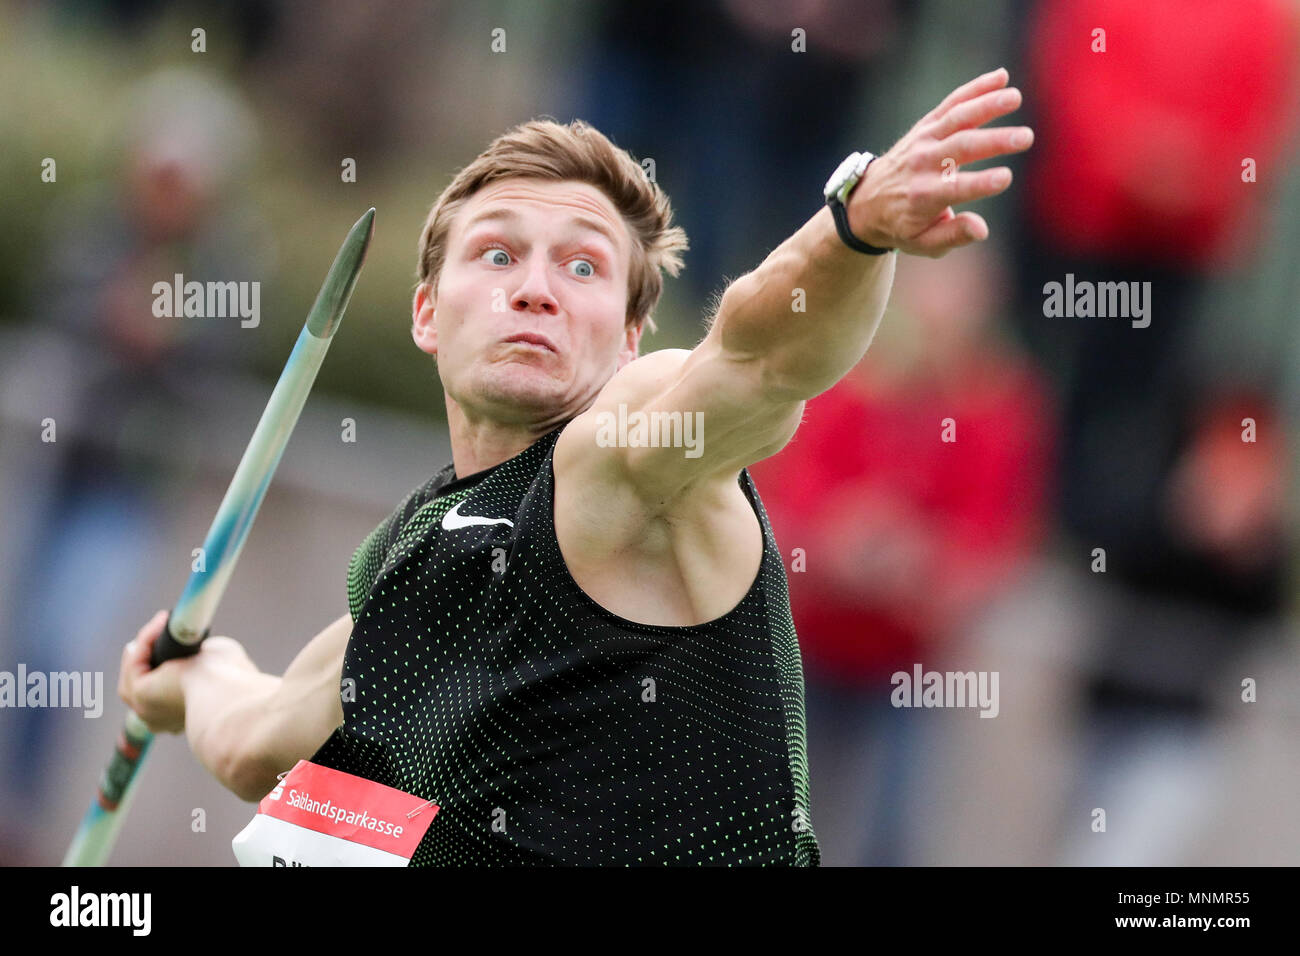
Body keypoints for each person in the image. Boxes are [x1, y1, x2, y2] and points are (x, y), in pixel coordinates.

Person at [118, 67, 1034, 866]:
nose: (535, 287)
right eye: (498, 252)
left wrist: (852, 229)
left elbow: (760, 361)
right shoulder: (412, 562)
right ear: (428, 314)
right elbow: (256, 745)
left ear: (631, 340)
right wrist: (196, 678)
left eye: (584, 267)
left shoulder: (626, 465)